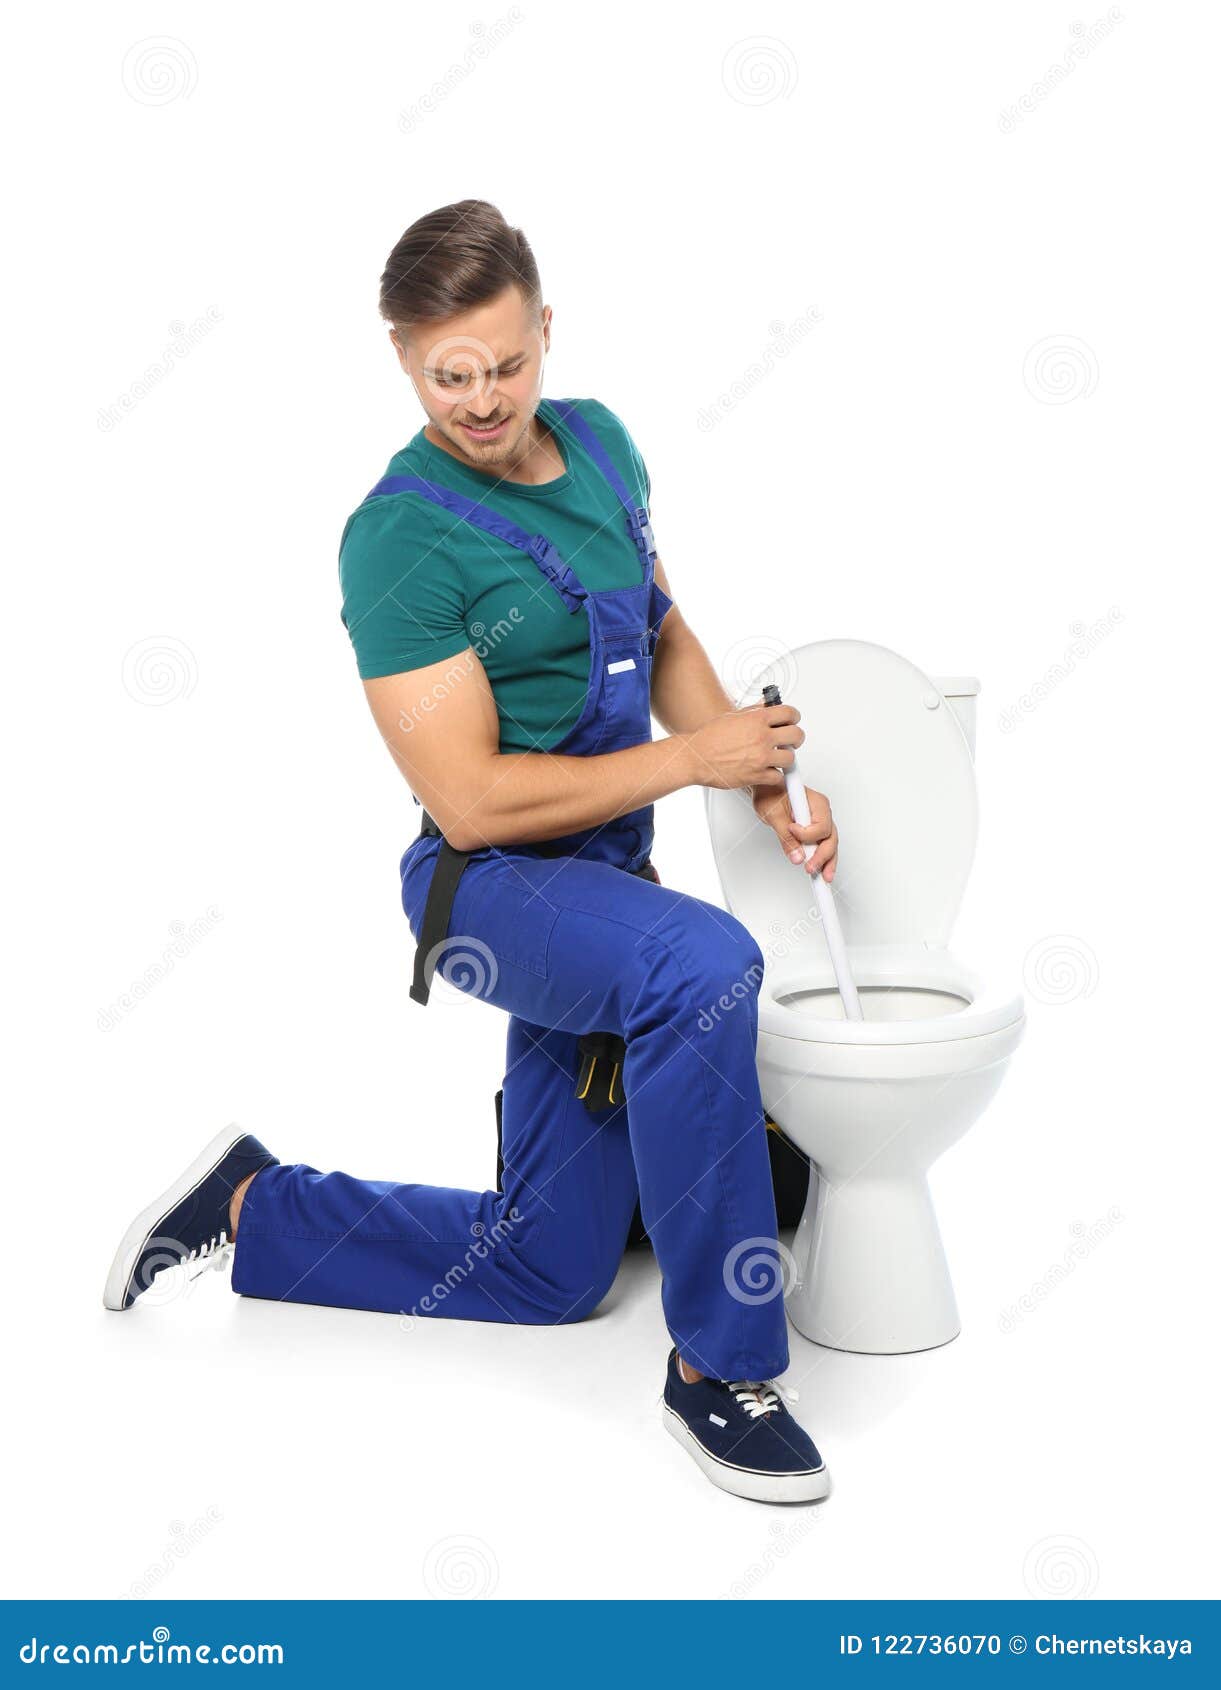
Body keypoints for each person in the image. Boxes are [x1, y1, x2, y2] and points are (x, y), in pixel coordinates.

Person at [103, 200, 840, 1504]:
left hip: (606, 891)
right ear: (403, 359)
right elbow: (470, 805)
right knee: (705, 966)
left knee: (547, 1270)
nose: (486, 397)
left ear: (544, 330)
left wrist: (758, 775)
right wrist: (690, 765)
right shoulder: (396, 537)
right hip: (489, 891)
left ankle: (251, 1206)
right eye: (453, 374)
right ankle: (718, 1369)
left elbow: (658, 628)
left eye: (507, 363)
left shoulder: (602, 447)